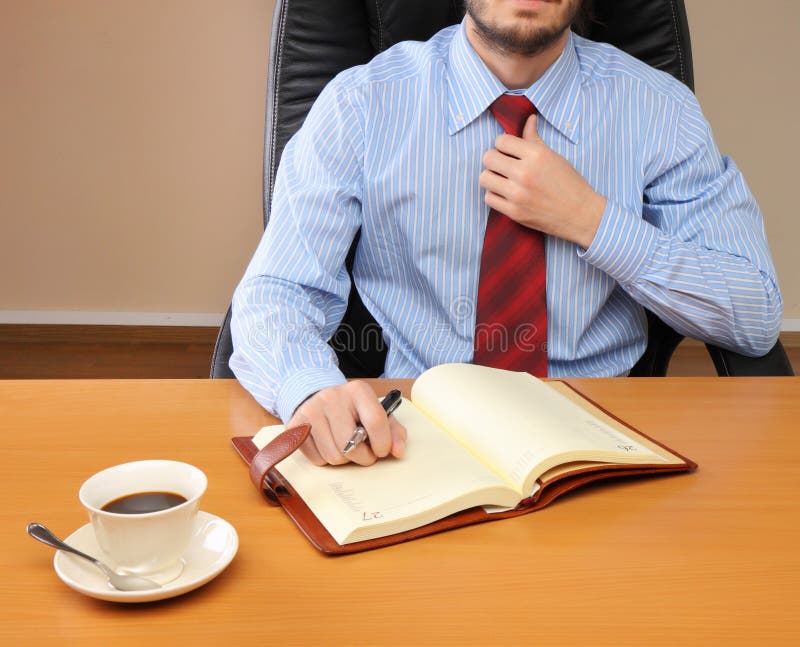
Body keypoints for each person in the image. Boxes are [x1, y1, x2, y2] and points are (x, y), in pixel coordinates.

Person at [230, 0, 782, 467]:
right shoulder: (362, 104)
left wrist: (592, 221)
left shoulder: (661, 110)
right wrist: (309, 386)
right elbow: (277, 290)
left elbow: (754, 314)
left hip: (602, 435)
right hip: (415, 437)